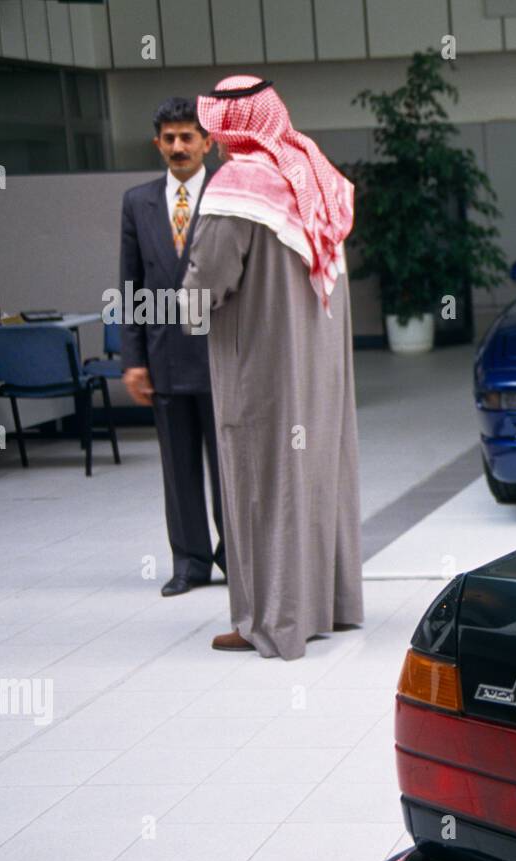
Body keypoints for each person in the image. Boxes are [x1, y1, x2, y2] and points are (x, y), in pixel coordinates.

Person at [181, 76, 363, 659]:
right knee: (317, 476)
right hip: (319, 369)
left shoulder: (237, 185)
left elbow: (205, 283)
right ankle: (329, 605)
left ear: (230, 126)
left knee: (263, 484)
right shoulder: (312, 172)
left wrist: (181, 313)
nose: (213, 137)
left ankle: (269, 619)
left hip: (263, 371)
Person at [120, 97, 226, 597]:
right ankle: (190, 561)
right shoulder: (137, 202)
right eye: (170, 138)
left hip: (221, 352)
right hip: (164, 355)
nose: (179, 146)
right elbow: (130, 284)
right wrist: (133, 360)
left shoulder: (228, 193)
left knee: (228, 465)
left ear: (208, 142)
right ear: (157, 144)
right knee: (177, 467)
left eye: (188, 137)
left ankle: (236, 555)